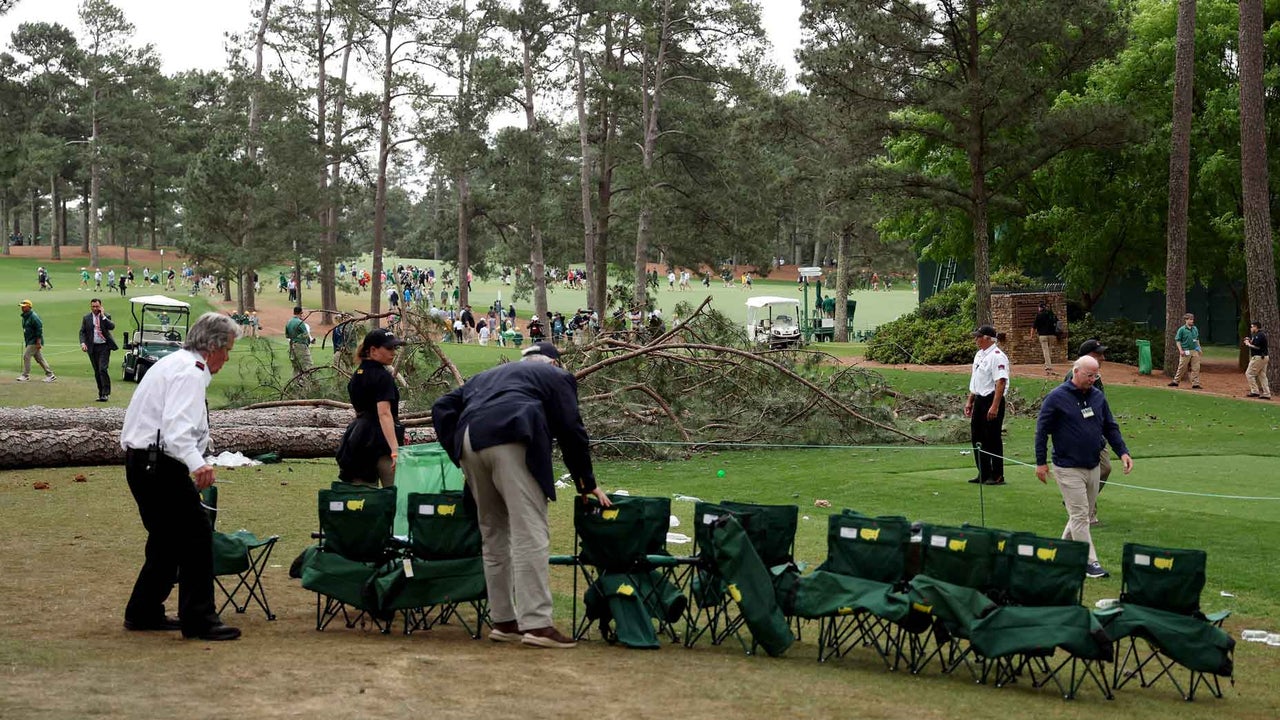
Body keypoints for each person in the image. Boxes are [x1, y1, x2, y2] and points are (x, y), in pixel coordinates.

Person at [432, 341, 609, 649]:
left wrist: (458, 452)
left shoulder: (486, 376)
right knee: (530, 531)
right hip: (511, 436)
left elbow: (441, 408)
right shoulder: (556, 376)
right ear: (553, 363)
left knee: (493, 534)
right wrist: (585, 482)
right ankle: (538, 624)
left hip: (469, 439)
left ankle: (504, 621)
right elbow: (571, 428)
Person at [119, 312, 242, 641]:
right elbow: (176, 430)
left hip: (145, 462)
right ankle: (199, 619)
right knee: (196, 537)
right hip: (160, 465)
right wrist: (196, 463)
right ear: (213, 346)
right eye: (227, 349)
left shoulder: (176, 363)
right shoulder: (190, 372)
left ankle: (143, 610)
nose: (227, 357)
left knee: (166, 540)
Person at [1035, 355, 1134, 579]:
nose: (1093, 379)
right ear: (1076, 372)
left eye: (1096, 375)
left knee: (1083, 513)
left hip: (1093, 464)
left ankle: (1059, 553)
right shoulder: (1056, 397)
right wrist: (1040, 463)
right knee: (1080, 516)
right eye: (1089, 375)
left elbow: (1110, 427)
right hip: (1067, 466)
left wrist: (1123, 452)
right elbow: (1042, 431)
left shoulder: (1098, 397)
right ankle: (1090, 562)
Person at [336, 328, 406, 487]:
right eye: (389, 348)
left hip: (358, 439)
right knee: (396, 495)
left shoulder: (356, 375)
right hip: (381, 442)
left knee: (364, 501)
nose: (393, 352)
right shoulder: (383, 377)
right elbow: (384, 414)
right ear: (373, 350)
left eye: (394, 348)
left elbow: (360, 411)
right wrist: (395, 450)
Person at [1072, 339, 1112, 524]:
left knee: (1105, 468)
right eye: (1098, 354)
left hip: (1097, 432)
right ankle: (1088, 513)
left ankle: (1076, 499)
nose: (1103, 357)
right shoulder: (1074, 376)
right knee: (1090, 471)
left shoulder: (1096, 377)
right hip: (1081, 434)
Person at [964, 325, 1008, 485]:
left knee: (992, 437)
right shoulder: (979, 355)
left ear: (989, 339)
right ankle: (983, 472)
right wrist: (970, 400)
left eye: (979, 337)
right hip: (980, 400)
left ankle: (997, 474)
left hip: (992, 399)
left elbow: (1000, 382)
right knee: (977, 436)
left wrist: (995, 406)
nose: (976, 339)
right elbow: (976, 379)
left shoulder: (997, 356)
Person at [80, 298, 119, 402]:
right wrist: (83, 343)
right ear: (91, 307)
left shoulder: (106, 316)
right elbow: (82, 332)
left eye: (97, 306)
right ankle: (101, 393)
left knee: (103, 369)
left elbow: (112, 327)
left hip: (104, 346)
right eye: (93, 307)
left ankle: (106, 393)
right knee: (97, 371)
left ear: (101, 306)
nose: (95, 308)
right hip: (92, 347)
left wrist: (103, 316)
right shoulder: (86, 318)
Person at [17, 300, 56, 383]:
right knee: (40, 359)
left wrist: (38, 341)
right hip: (30, 340)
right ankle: (50, 375)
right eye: (21, 306)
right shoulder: (25, 317)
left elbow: (39, 328)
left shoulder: (34, 317)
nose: (22, 307)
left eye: (24, 306)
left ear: (29, 307)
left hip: (34, 341)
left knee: (26, 356)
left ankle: (25, 375)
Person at [1168, 313, 1202, 389]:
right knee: (1182, 366)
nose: (1192, 321)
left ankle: (1195, 384)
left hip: (1195, 350)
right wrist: (1181, 350)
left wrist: (1199, 348)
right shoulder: (1182, 330)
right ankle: (1176, 381)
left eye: (1192, 319)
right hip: (1185, 350)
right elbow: (1178, 341)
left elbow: (1197, 339)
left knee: (1196, 367)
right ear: (1186, 320)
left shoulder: (1195, 329)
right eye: (1190, 319)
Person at [1243, 321, 1271, 399]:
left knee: (1249, 374)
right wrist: (1249, 341)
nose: (1251, 328)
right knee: (1262, 375)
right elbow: (1255, 344)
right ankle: (1266, 393)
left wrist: (1248, 344)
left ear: (1256, 327)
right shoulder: (1257, 335)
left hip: (1259, 357)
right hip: (1263, 357)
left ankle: (1255, 391)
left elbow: (1257, 347)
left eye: (1252, 327)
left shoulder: (1260, 335)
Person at [285, 306, 313, 375]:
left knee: (296, 368)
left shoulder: (289, 322)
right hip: (301, 346)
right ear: (301, 313)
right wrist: (308, 341)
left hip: (292, 346)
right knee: (307, 365)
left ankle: (295, 384)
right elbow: (306, 334)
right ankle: (306, 384)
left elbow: (287, 335)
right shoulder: (300, 322)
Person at [1033, 301, 1059, 372]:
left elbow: (1034, 326)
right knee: (1049, 350)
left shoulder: (1039, 315)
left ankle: (1048, 366)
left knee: (1045, 350)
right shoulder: (1051, 313)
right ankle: (1047, 363)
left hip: (1043, 335)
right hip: (1052, 335)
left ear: (1040, 308)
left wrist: (1031, 335)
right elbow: (1057, 321)